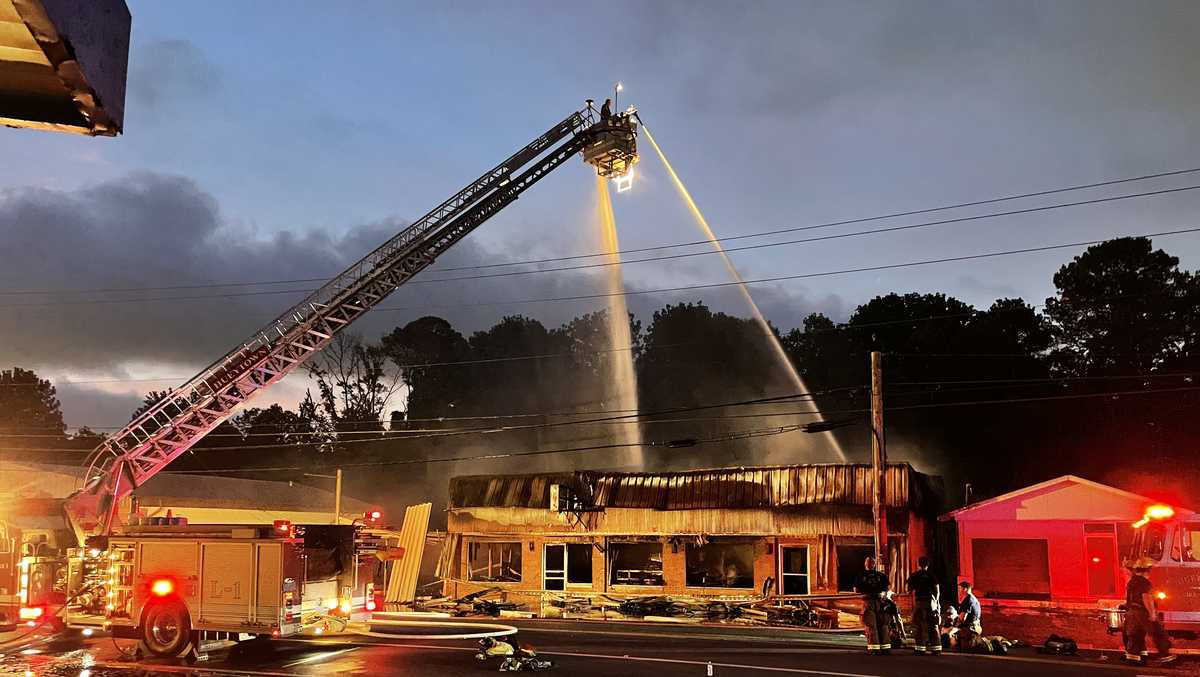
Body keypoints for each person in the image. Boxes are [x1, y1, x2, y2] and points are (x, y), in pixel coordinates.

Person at [1124, 556, 1176, 665]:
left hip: (1132, 613)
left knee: (1135, 636)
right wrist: (1152, 613)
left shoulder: (1132, 582)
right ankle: (1167, 659)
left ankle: (1133, 659)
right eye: (1151, 569)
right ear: (1147, 569)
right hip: (1143, 612)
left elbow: (1128, 599)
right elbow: (1146, 597)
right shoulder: (1145, 583)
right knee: (1159, 634)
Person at [854, 556, 892, 655]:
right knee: (883, 625)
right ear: (874, 564)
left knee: (871, 625)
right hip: (881, 602)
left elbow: (856, 590)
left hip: (868, 602)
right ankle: (885, 648)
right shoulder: (881, 575)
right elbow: (888, 589)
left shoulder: (861, 575)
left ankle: (874, 649)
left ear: (865, 564)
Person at [906, 556, 941, 655]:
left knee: (919, 625)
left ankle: (920, 648)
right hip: (931, 602)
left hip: (920, 602)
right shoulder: (932, 576)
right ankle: (936, 648)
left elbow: (908, 589)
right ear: (928, 565)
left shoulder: (914, 575)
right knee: (933, 625)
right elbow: (937, 591)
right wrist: (936, 604)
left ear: (918, 564)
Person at [957, 580, 983, 651]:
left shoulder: (967, 600)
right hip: (976, 627)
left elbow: (962, 618)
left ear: (965, 589)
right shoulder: (974, 599)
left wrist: (956, 625)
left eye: (959, 588)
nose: (958, 591)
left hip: (968, 629)